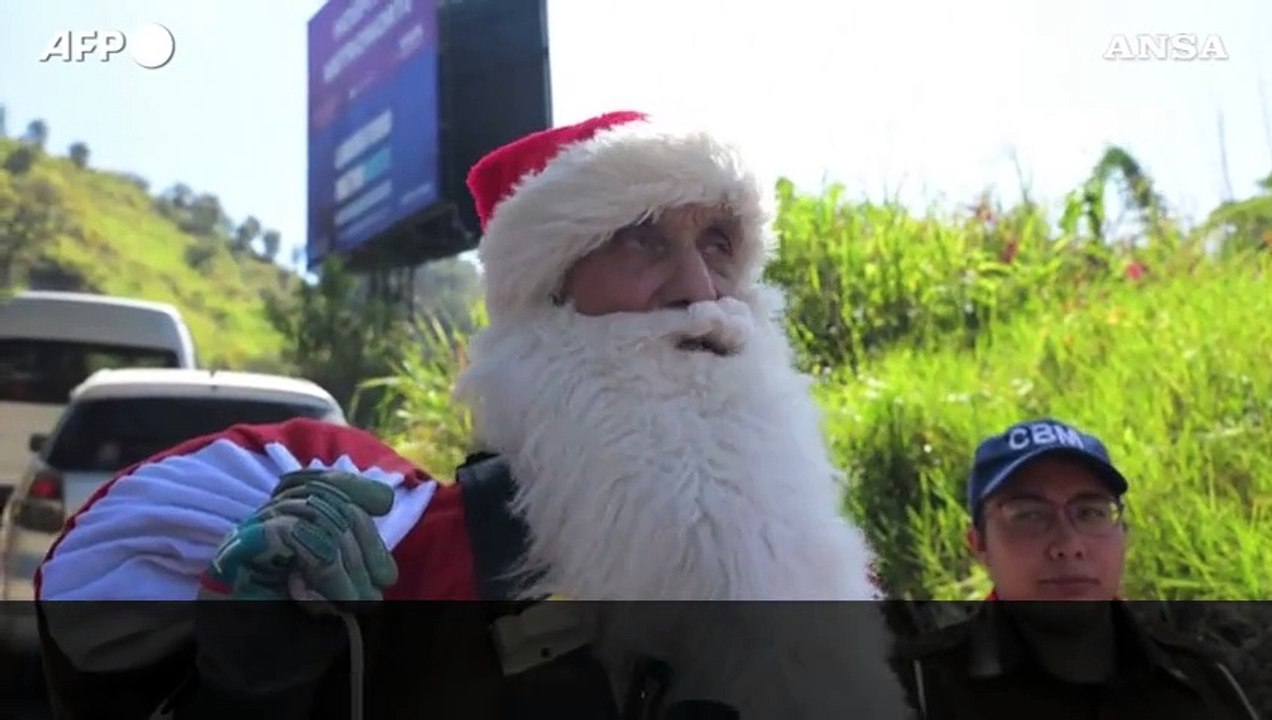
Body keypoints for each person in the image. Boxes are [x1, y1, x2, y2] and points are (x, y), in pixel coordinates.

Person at [35, 111, 913, 719]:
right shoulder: (401, 557)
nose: (699, 290)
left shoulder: (842, 577)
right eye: (643, 238)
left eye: (719, 244)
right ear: (547, 298)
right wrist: (253, 667)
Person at [892, 417, 1260, 720]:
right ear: (979, 545)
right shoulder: (912, 689)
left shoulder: (1202, 678)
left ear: (1124, 534)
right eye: (1029, 516)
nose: (1068, 546)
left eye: (1090, 513)